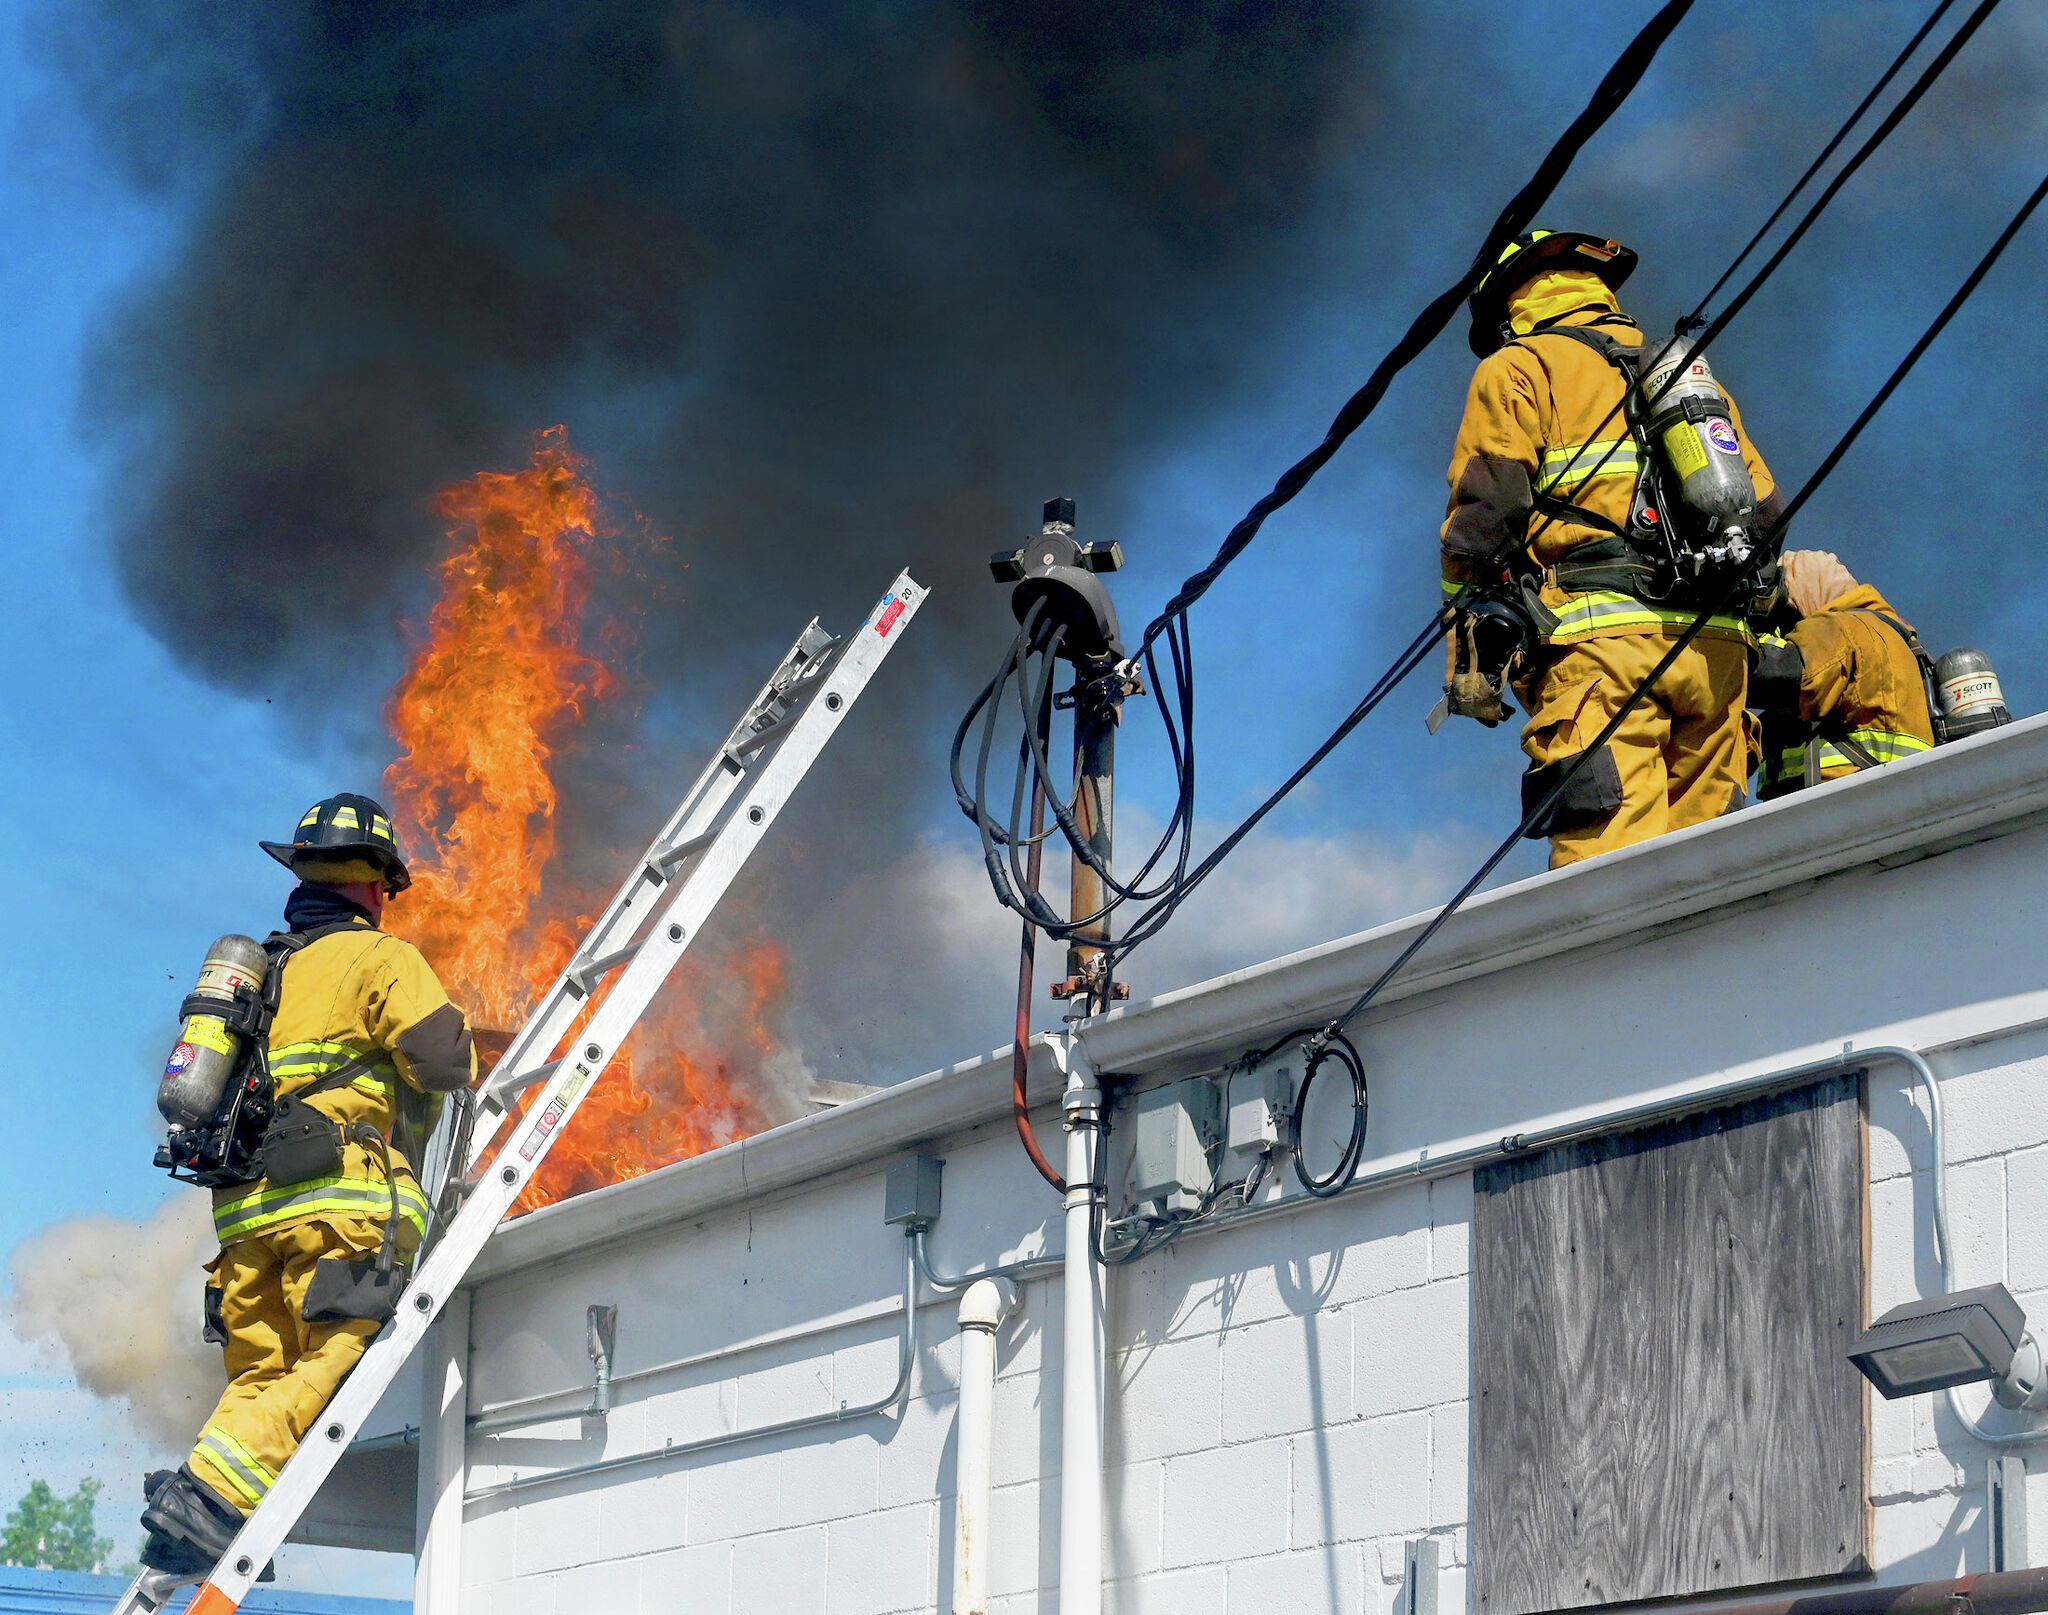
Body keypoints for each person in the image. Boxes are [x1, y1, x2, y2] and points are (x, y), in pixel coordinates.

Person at [139, 793, 476, 1576]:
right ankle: (210, 1495)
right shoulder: (379, 959)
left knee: (262, 1375)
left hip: (245, 1222)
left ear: (301, 874)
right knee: (335, 1360)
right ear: (376, 884)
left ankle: (189, 1515)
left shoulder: (263, 974)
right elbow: (441, 1063)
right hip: (338, 1212)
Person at [1438, 229, 1785, 867]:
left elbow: (1488, 511)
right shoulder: (1684, 373)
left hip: (1607, 651)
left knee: (1611, 872)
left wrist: (1467, 652)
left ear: (1508, 306)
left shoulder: (1518, 367)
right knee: (1718, 871)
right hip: (1718, 653)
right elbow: (1763, 510)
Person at [1750, 550, 1936, 797]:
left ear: (1801, 593)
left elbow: (1783, 675)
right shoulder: (1887, 634)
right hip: (1892, 797)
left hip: (1848, 803)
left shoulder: (1840, 627)